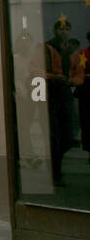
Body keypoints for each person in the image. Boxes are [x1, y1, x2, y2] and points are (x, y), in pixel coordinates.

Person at [45, 18, 74, 185]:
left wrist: (75, 80)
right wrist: (54, 77)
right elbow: (36, 71)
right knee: (55, 135)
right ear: (55, 31)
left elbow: (77, 71)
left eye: (67, 29)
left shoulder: (71, 49)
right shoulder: (47, 47)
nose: (64, 32)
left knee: (67, 135)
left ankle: (55, 167)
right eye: (61, 29)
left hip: (65, 94)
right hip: (51, 94)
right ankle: (55, 172)